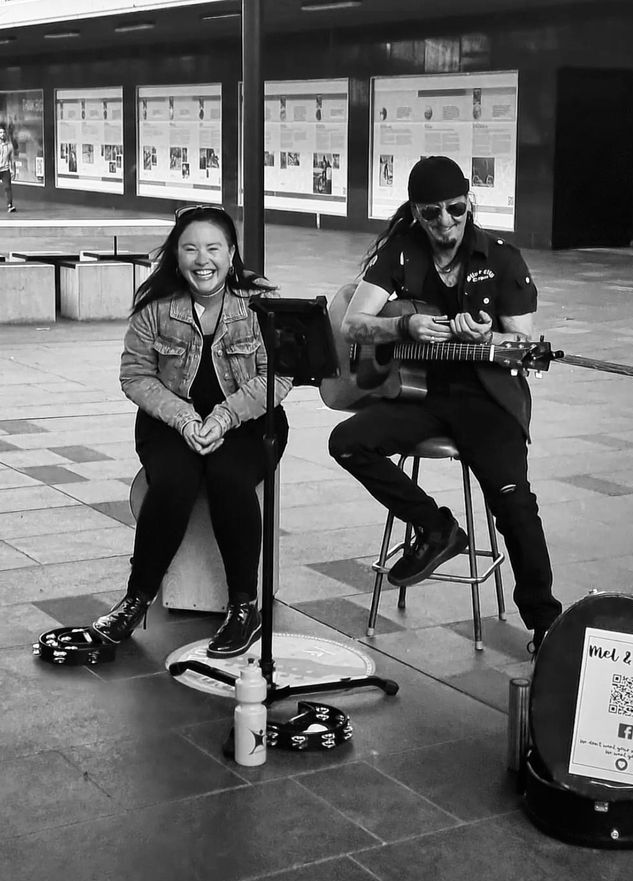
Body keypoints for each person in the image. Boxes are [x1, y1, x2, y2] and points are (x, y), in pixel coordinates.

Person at [328, 156, 562, 654]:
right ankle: (436, 527)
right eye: (432, 213)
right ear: (416, 212)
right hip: (421, 394)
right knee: (347, 442)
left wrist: (489, 335)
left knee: (513, 501)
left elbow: (521, 344)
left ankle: (546, 621)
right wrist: (403, 326)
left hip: (487, 399)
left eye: (456, 210)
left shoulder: (502, 259)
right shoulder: (400, 251)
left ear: (469, 202)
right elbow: (351, 323)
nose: (446, 223)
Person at [91, 205, 292, 658]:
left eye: (213, 248)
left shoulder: (261, 301)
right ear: (176, 256)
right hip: (169, 424)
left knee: (228, 478)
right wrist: (184, 419)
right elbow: (135, 376)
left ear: (232, 253)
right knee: (175, 480)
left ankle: (244, 607)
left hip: (249, 421)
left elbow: (278, 376)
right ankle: (136, 598)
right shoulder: (156, 307)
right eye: (190, 249)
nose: (203, 259)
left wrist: (223, 416)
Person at [0, 125, 17, 212]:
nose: (2, 134)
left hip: (5, 169)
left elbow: (12, 159)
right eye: (0, 133)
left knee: (7, 187)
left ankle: (10, 205)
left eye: (3, 132)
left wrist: (13, 170)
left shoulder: (9, 146)